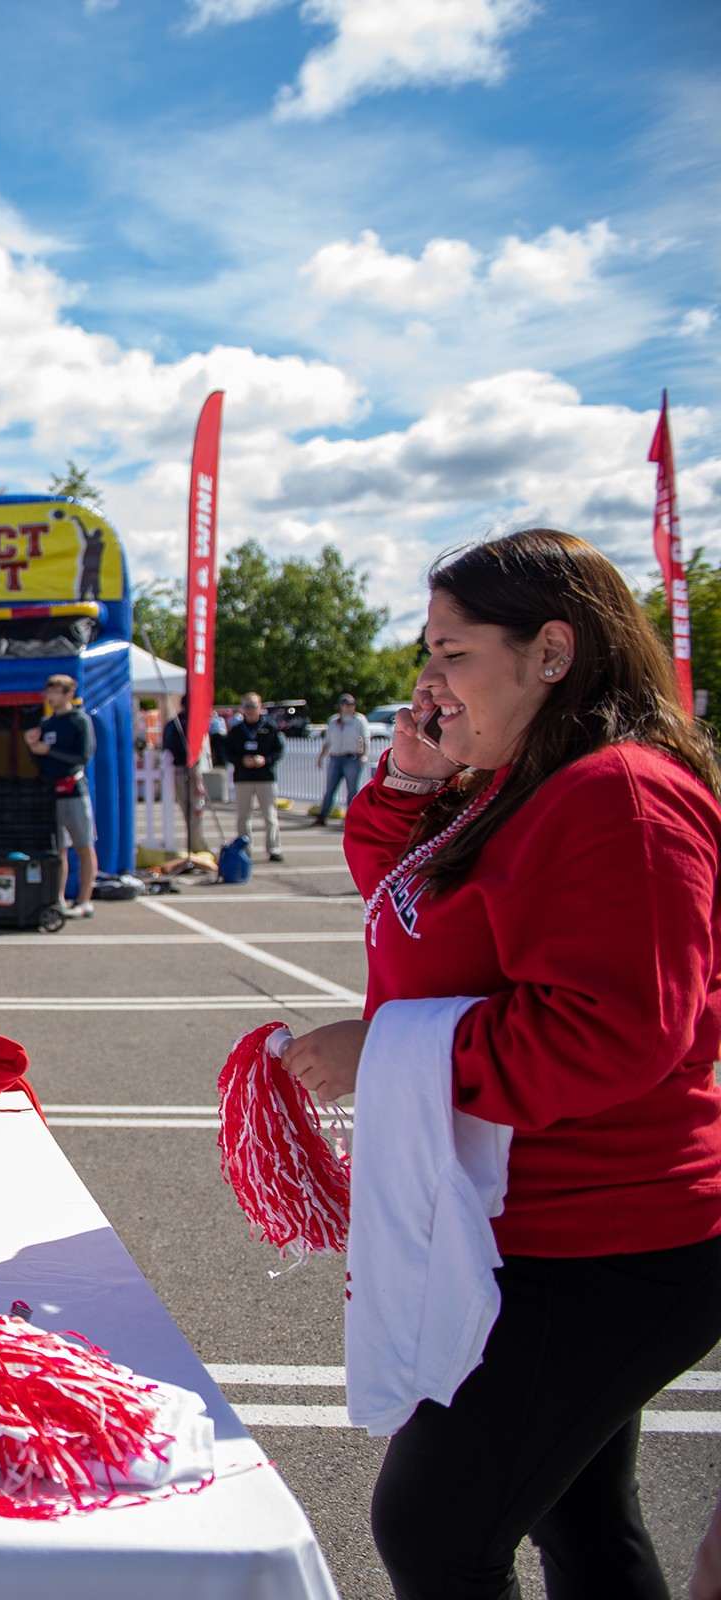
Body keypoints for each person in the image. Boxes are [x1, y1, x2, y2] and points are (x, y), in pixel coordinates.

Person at [282, 528, 721, 1600]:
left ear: (553, 653)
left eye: (453, 653)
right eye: (426, 656)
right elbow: (404, 897)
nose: (429, 684)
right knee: (583, 1521)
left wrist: (389, 1052)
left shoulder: (618, 794)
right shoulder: (518, 782)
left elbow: (616, 1030)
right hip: (530, 1219)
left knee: (433, 1526)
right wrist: (409, 777)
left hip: (611, 1234)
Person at [24, 673, 97, 918]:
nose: (50, 696)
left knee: (84, 845)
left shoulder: (79, 721)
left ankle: (85, 900)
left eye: (55, 692)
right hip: (51, 792)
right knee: (58, 850)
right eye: (48, 692)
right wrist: (33, 746)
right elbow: (39, 760)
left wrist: (50, 750)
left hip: (74, 790)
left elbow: (83, 756)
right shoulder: (46, 724)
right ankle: (58, 898)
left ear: (68, 694)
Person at [220, 691, 284, 861]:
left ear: (259, 707)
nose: (250, 710)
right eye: (247, 706)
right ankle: (245, 849)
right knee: (243, 816)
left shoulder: (269, 727)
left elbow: (279, 751)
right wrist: (241, 760)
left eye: (253, 706)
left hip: (265, 777)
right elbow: (228, 752)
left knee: (269, 815)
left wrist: (265, 760)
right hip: (243, 777)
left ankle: (274, 848)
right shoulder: (236, 730)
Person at [312, 692, 370, 826]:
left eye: (351, 704)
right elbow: (328, 741)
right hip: (336, 757)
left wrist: (364, 755)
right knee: (330, 788)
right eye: (346, 705)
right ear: (340, 706)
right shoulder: (334, 721)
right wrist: (321, 756)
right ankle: (323, 815)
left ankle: (351, 818)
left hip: (352, 757)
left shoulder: (359, 720)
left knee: (352, 789)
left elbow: (365, 738)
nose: (349, 707)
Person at [160, 707, 210, 854]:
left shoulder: (172, 724)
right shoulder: (187, 724)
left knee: (190, 813)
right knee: (195, 812)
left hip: (176, 772)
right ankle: (198, 847)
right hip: (187, 773)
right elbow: (191, 756)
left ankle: (195, 845)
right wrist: (198, 781)